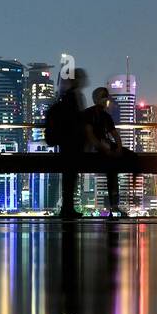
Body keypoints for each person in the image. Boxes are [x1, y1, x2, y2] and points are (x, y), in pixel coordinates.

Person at [82, 85, 136, 217]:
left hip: (104, 147)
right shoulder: (89, 114)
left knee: (129, 158)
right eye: (103, 97)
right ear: (96, 99)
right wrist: (110, 150)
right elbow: (91, 137)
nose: (105, 99)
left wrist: (118, 148)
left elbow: (115, 134)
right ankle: (114, 206)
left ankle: (115, 205)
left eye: (106, 97)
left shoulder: (105, 116)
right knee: (112, 170)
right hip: (93, 150)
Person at [56, 68, 89, 218]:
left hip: (66, 143)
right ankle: (67, 208)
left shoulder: (66, 96)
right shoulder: (75, 96)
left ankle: (67, 207)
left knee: (68, 177)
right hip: (73, 144)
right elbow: (79, 120)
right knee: (70, 177)